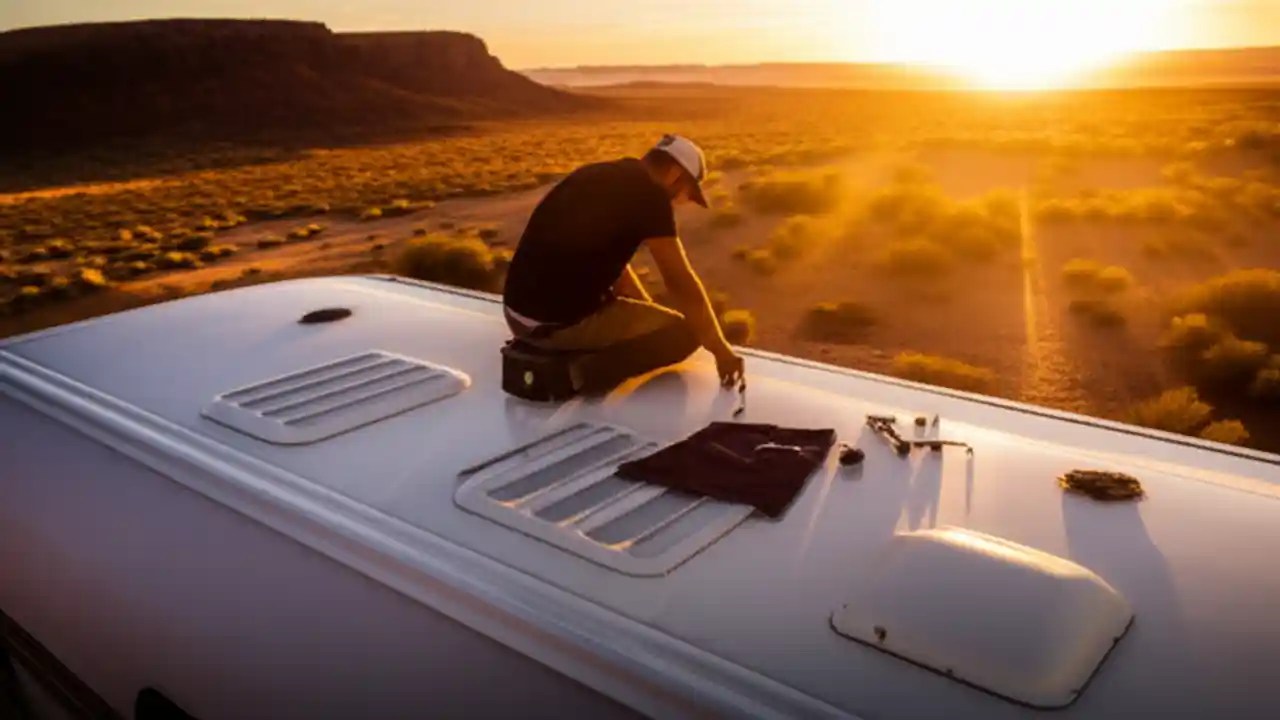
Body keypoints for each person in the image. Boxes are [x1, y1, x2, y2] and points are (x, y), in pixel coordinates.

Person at [502, 134, 745, 389]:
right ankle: (579, 373)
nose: (680, 203)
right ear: (675, 174)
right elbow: (679, 281)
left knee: (645, 321)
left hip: (516, 315)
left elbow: (612, 263)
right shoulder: (651, 196)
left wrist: (646, 311)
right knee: (683, 335)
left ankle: (562, 348)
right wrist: (721, 350)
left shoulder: (596, 174)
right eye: (686, 194)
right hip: (555, 326)